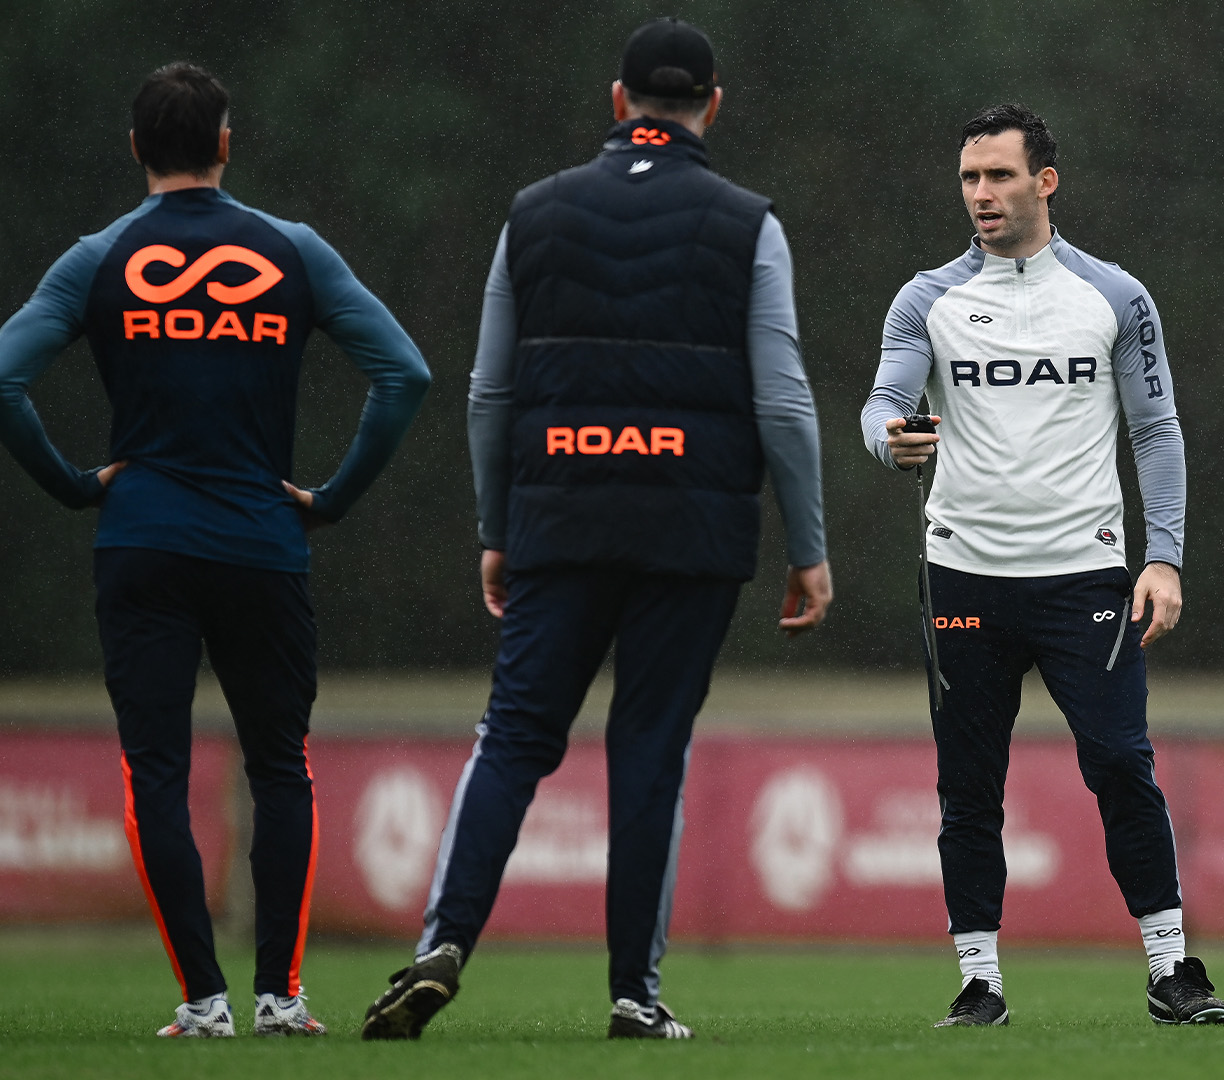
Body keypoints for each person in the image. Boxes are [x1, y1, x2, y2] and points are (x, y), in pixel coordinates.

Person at [360, 18, 831, 1042]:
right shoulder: (749, 222)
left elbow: (490, 387)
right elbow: (785, 399)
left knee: (514, 738)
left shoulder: (532, 214)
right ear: (714, 104)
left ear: (618, 104)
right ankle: (632, 994)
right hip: (690, 531)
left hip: (558, 517)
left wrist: (499, 524)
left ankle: (444, 941)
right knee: (650, 752)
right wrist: (808, 545)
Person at [0, 63, 432, 1038]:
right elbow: (404, 373)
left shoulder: (96, 259)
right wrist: (334, 498)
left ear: (134, 148)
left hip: (140, 541)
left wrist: (71, 483)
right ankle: (280, 997)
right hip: (264, 546)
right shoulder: (293, 250)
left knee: (156, 771)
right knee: (280, 765)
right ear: (227, 143)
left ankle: (203, 1001)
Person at [861, 103, 1224, 1028]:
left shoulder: (1114, 295)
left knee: (1119, 764)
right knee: (968, 784)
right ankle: (980, 982)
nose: (981, 195)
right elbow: (882, 403)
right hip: (965, 576)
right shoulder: (926, 298)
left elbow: (1156, 429)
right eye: (969, 180)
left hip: (1086, 577)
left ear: (1046, 182)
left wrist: (1167, 559)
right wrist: (891, 440)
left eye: (999, 176)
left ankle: (1172, 969)